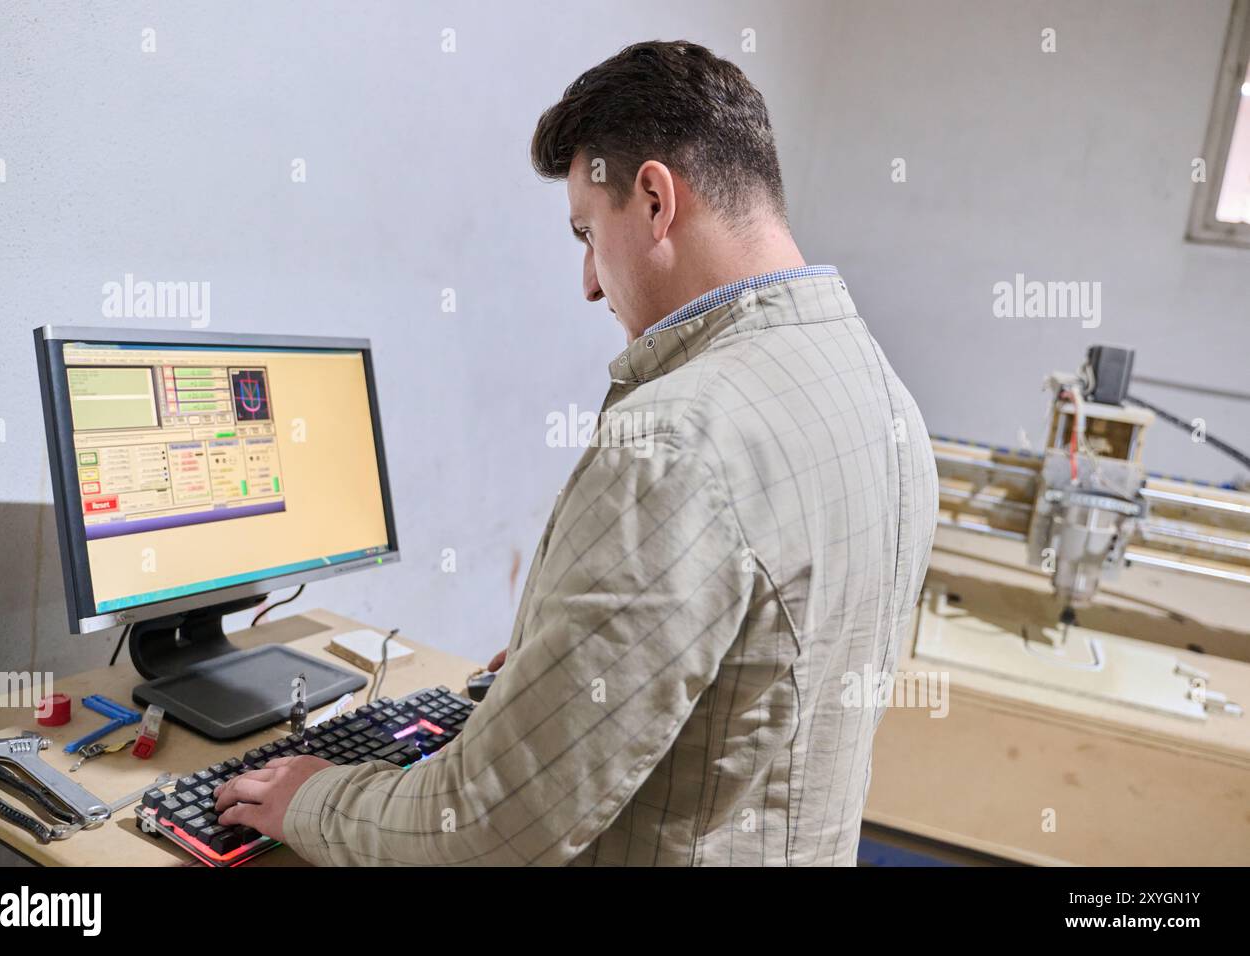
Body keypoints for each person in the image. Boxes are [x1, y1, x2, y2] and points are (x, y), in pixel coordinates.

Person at [215, 39, 938, 866]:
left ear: (657, 200)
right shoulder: (879, 391)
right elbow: (755, 679)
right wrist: (557, 680)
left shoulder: (675, 442)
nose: (589, 282)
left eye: (587, 233)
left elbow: (493, 825)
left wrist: (314, 799)